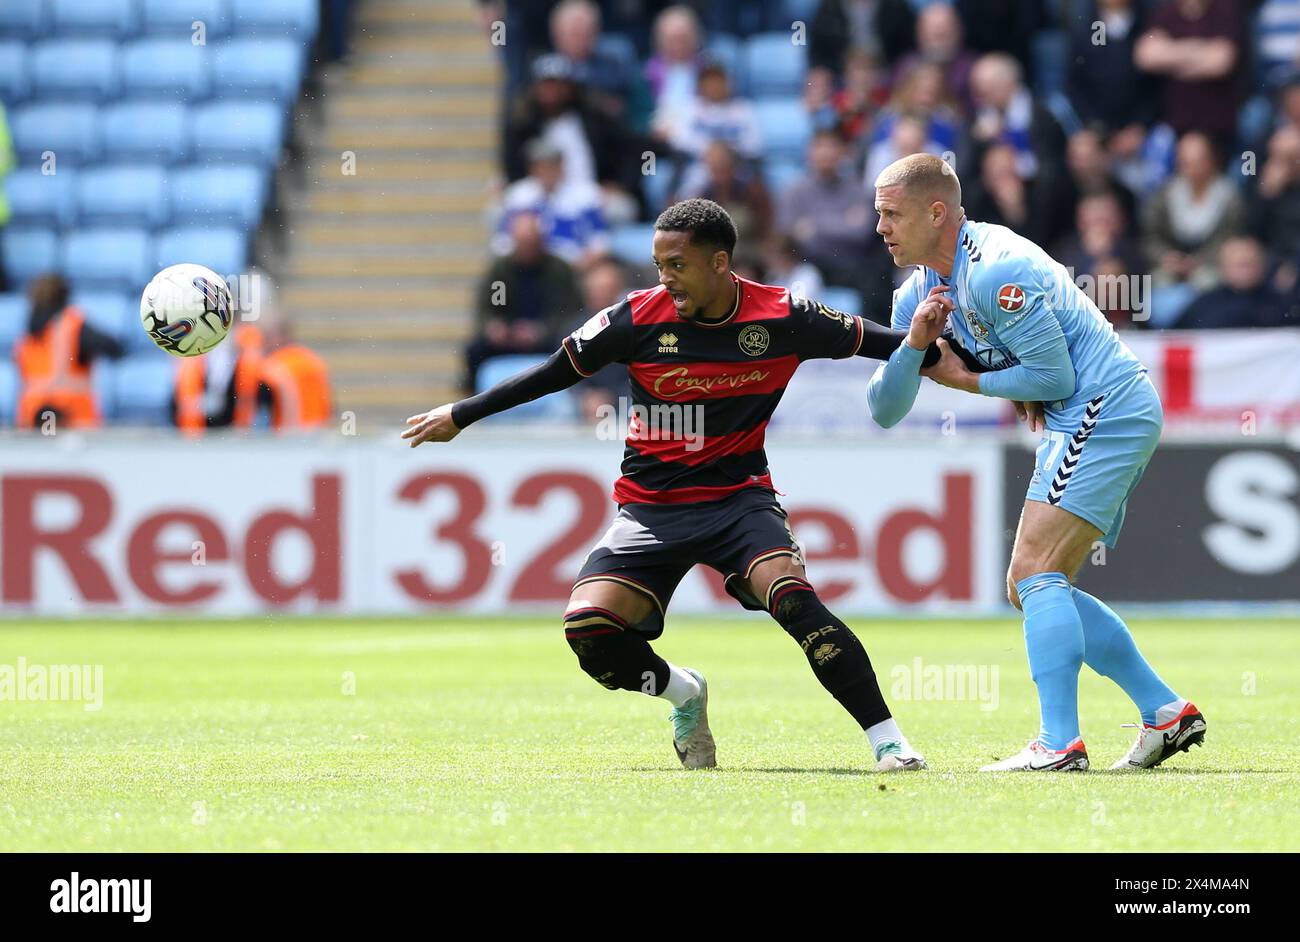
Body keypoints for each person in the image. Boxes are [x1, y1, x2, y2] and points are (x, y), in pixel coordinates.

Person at [403, 198, 947, 773]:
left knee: (792, 596)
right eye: (659, 265)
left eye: (677, 265)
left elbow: (899, 346)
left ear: (719, 263)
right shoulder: (635, 319)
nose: (664, 278)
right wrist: (463, 414)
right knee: (588, 631)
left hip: (739, 502)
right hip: (650, 509)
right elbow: (551, 373)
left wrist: (934, 348)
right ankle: (683, 692)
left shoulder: (784, 316)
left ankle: (890, 742)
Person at [866, 154, 1206, 772]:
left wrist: (966, 379)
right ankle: (1164, 711)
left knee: (1033, 573)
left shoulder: (998, 269)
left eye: (891, 214)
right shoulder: (916, 294)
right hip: (1086, 415)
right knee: (1034, 585)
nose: (881, 227)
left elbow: (1055, 375)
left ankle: (1059, 743)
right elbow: (885, 409)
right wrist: (914, 346)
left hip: (1106, 405)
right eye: (878, 214)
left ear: (936, 212)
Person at [465, 212, 583, 392]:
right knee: (475, 350)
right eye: (522, 243)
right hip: (508, 340)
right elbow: (492, 306)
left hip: (548, 341)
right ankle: (474, 399)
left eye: (531, 243)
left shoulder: (559, 270)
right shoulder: (501, 270)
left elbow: (567, 312)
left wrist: (540, 331)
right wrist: (494, 326)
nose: (527, 249)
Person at [14, 274, 124, 429]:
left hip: (32, 421)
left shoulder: (26, 335)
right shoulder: (73, 326)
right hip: (72, 421)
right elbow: (115, 348)